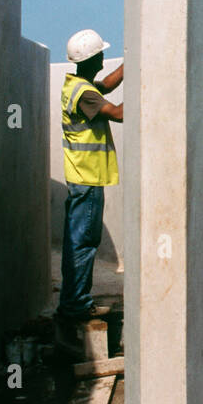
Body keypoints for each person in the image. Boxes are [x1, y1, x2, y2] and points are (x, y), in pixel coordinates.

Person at [56, 29, 123, 330]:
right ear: (94, 58)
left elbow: (107, 85)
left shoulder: (78, 85)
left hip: (81, 176)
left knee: (77, 241)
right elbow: (119, 114)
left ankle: (74, 302)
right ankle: (76, 305)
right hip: (88, 177)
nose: (105, 57)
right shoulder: (85, 95)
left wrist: (135, 61)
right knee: (83, 243)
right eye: (102, 54)